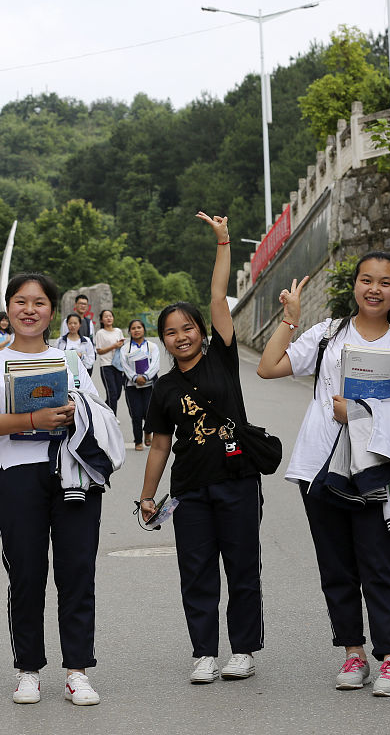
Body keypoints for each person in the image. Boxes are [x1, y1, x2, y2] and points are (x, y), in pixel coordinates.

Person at [256, 251, 390, 698]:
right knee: (336, 567)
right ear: (354, 285)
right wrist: (289, 320)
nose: (375, 289)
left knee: (379, 565)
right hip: (319, 466)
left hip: (373, 470)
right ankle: (353, 651)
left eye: (385, 282)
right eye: (367, 280)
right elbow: (268, 367)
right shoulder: (328, 334)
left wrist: (354, 410)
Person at [0, 274, 107, 707]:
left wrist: (71, 409)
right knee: (26, 574)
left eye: (39, 302)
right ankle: (28, 670)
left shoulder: (69, 360)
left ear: (52, 311)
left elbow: (97, 406)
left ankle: (77, 671)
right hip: (17, 476)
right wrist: (32, 420)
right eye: (21, 302)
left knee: (76, 572)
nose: (30, 310)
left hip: (71, 475)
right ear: (8, 309)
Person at [138, 212, 263, 685]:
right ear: (163, 340)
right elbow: (159, 446)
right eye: (171, 331)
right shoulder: (164, 388)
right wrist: (149, 497)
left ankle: (244, 651)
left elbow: (217, 296)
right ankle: (205, 653)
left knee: (242, 568)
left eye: (188, 327)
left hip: (236, 479)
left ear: (202, 330)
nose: (182, 335)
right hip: (189, 491)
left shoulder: (223, 359)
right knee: (196, 573)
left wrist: (224, 243)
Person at [118, 319, 160, 451]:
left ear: (143, 329)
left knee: (149, 412)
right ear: (130, 331)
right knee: (135, 414)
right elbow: (124, 366)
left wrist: (146, 376)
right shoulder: (125, 349)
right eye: (133, 328)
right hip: (132, 385)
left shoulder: (152, 347)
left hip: (149, 384)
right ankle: (137, 440)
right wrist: (135, 378)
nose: (136, 330)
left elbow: (155, 364)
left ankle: (148, 431)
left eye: (139, 327)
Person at [93, 310, 126, 413]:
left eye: (110, 316)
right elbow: (99, 351)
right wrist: (113, 346)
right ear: (102, 320)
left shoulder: (118, 331)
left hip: (118, 365)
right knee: (112, 392)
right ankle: (112, 417)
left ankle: (103, 411)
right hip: (106, 365)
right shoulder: (100, 333)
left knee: (118, 393)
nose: (108, 318)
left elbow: (122, 347)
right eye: (106, 316)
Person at [56, 313, 96, 378]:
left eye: (75, 323)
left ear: (80, 325)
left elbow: (91, 361)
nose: (73, 325)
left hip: (82, 375)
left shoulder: (87, 341)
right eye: (70, 323)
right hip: (65, 375)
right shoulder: (60, 341)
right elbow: (56, 360)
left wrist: (81, 356)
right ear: (67, 324)